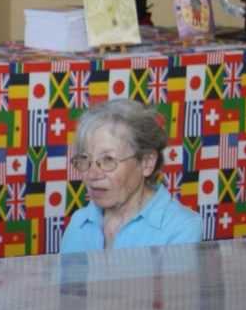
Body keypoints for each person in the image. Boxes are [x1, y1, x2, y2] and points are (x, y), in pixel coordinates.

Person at [59, 98, 201, 252]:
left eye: (108, 160)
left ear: (147, 163)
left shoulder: (182, 228)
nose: (92, 174)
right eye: (85, 158)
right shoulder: (79, 222)